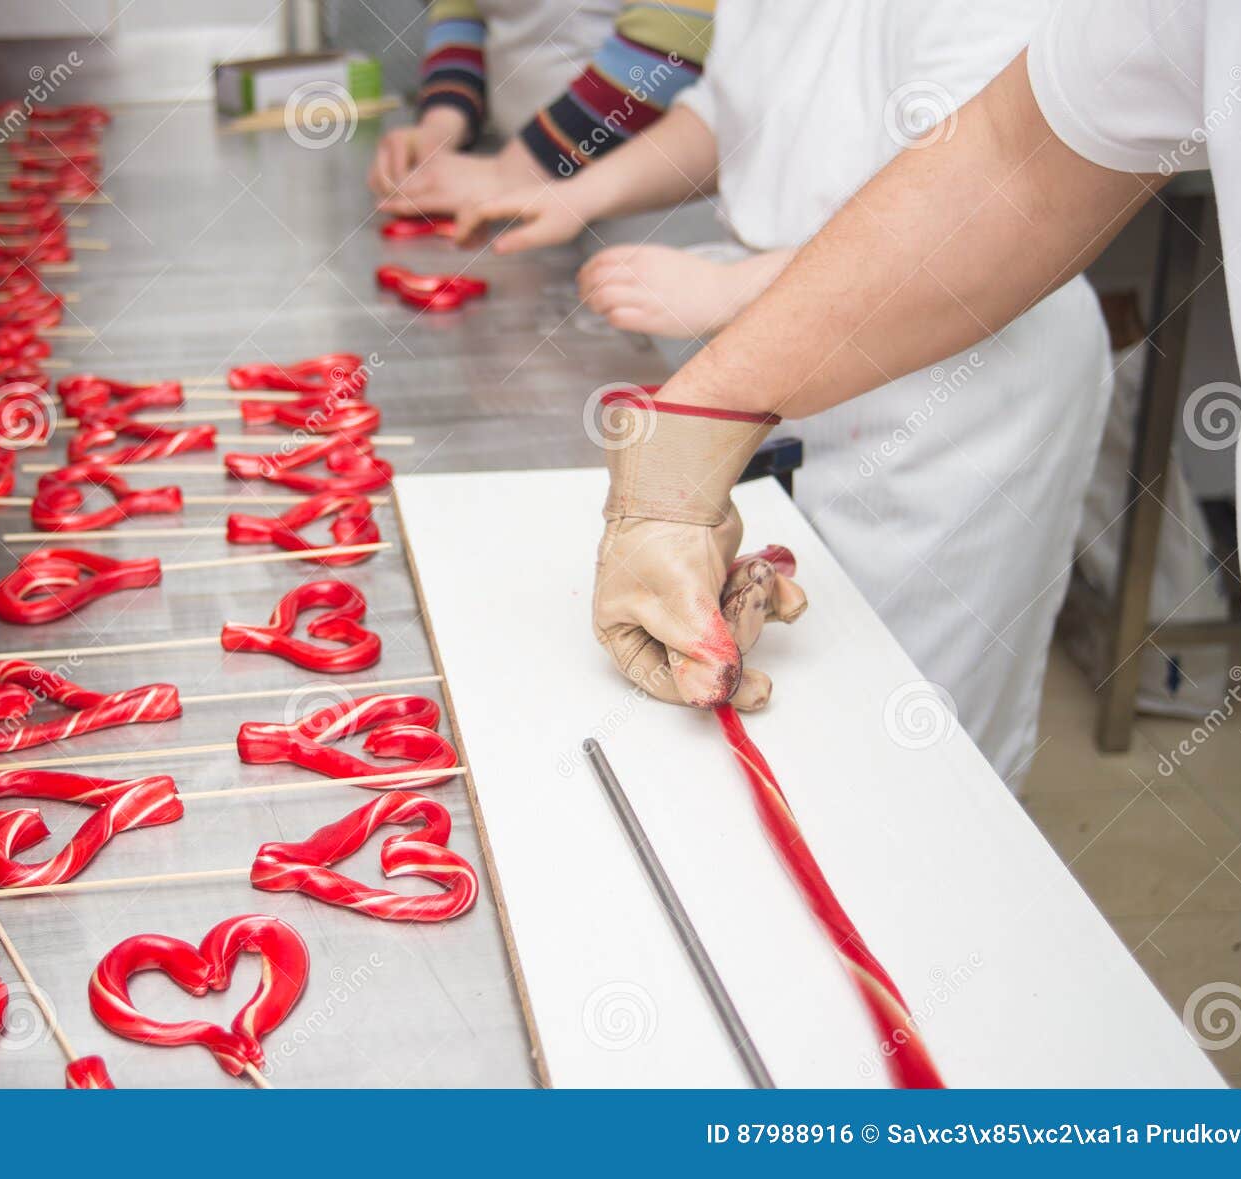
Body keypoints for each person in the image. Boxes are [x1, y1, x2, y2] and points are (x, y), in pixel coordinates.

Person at [457, 1, 1112, 788]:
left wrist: (733, 291)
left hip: (953, 381)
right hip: (792, 334)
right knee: (780, 711)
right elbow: (730, 110)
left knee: (917, 747)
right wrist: (582, 193)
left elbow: (1001, 198)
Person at [368, 0, 713, 216]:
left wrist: (511, 172)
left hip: (655, 213)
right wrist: (443, 123)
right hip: (530, 180)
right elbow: (466, 8)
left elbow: (676, 37)